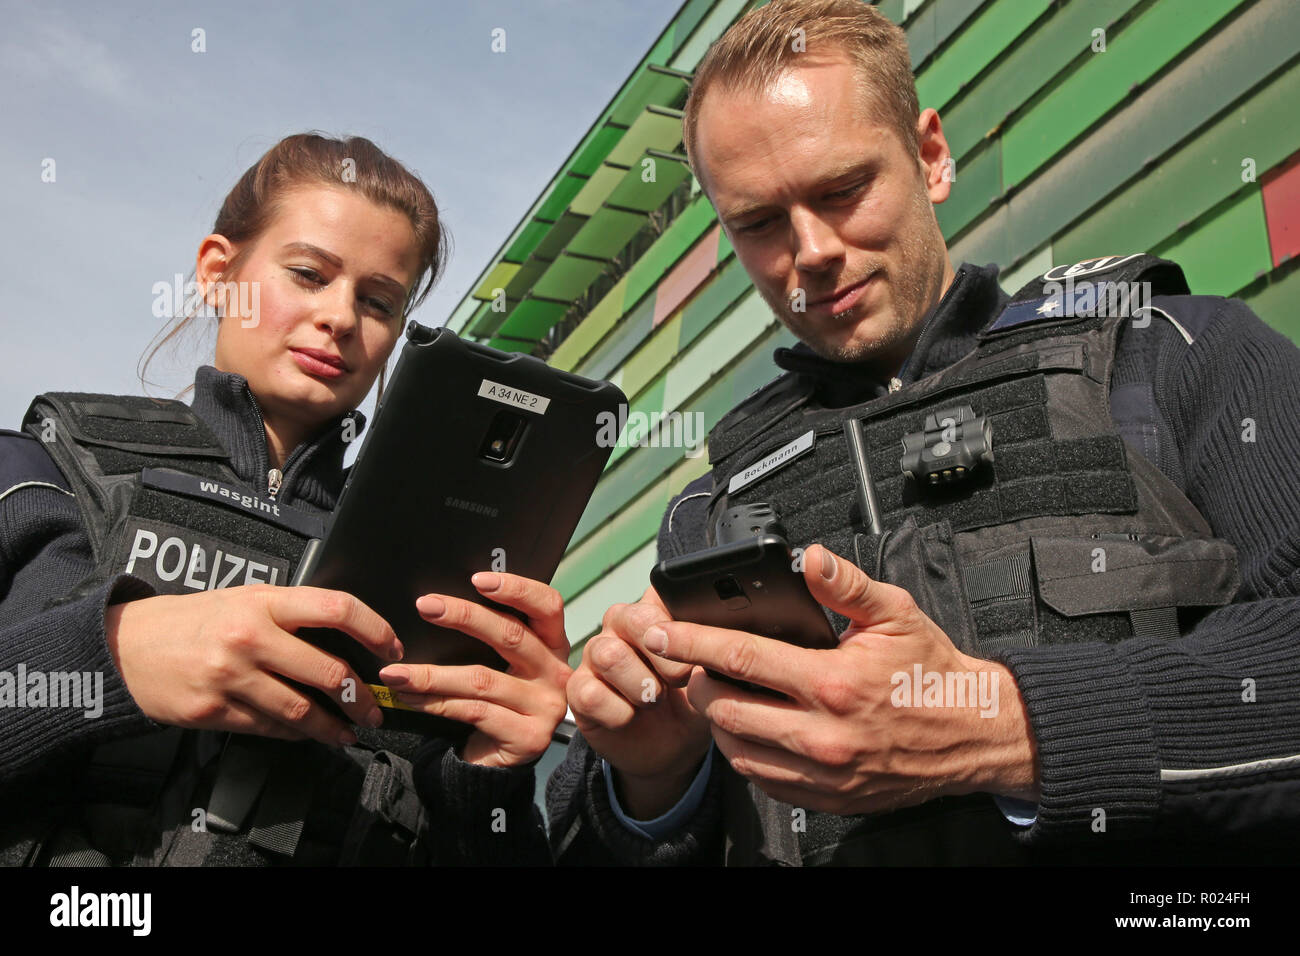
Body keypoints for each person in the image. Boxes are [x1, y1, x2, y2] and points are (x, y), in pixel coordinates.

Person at [548, 0, 1300, 864]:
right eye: (759, 223)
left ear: (931, 156)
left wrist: (1006, 729)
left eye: (842, 190)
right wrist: (653, 785)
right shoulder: (709, 511)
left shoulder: (1167, 351)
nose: (813, 250)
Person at [0, 133, 568, 866]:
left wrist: (487, 782)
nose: (339, 317)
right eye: (307, 273)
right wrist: (109, 657)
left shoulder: (433, 581)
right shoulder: (39, 469)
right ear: (217, 271)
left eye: (378, 300)